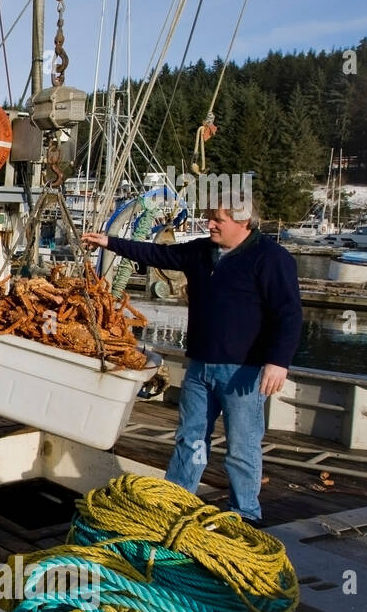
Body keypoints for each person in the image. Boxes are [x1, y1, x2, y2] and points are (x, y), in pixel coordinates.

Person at [81, 202, 302, 524]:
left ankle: (245, 513)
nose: (209, 224)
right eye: (210, 217)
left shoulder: (271, 258)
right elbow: (157, 256)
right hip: (200, 366)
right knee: (190, 438)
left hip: (244, 370)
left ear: (243, 223)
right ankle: (177, 500)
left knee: (242, 445)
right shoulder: (202, 251)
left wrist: (278, 361)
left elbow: (289, 313)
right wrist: (110, 242)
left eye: (218, 220)